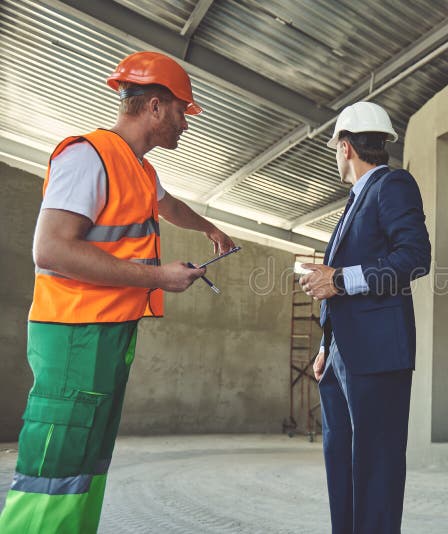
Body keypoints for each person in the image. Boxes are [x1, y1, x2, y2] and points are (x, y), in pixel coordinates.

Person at [0, 51, 235, 533]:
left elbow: (169, 206)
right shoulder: (87, 156)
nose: (185, 124)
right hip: (74, 333)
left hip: (106, 333)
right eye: (181, 111)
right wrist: (159, 278)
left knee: (86, 466)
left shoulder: (141, 170)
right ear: (154, 106)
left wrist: (210, 228)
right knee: (56, 469)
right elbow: (51, 249)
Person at [299, 101, 431, 533]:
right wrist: (326, 344)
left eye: (336, 148)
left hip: (377, 354)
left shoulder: (393, 185)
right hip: (341, 356)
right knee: (341, 467)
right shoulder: (354, 202)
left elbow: (414, 257)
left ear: (345, 146)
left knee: (376, 469)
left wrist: (338, 279)